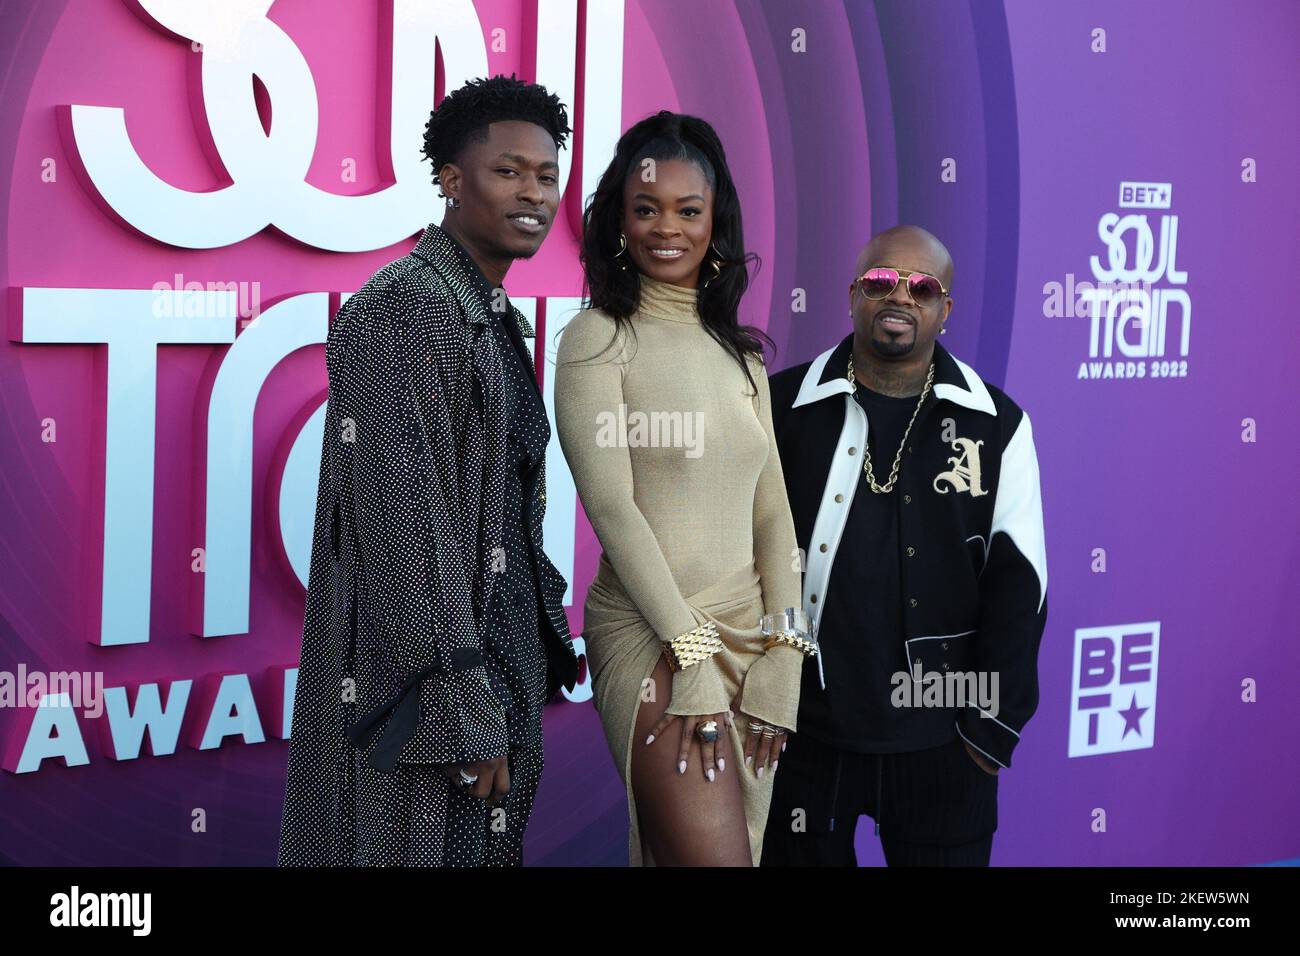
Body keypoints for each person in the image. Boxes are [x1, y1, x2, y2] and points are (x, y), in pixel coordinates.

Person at [278, 75, 579, 867]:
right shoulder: (403, 308)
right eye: (508, 171)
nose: (535, 193)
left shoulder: (481, 309)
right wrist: (459, 708)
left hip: (487, 676)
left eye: (547, 176)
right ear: (450, 180)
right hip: (422, 704)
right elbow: (405, 520)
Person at [553, 111, 811, 866]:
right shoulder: (597, 338)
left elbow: (774, 514)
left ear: (715, 222)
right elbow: (612, 508)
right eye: (645, 208)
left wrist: (787, 652)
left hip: (751, 639)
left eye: (688, 211)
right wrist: (691, 655)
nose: (667, 228)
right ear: (618, 222)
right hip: (656, 637)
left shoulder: (742, 357)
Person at [761, 225, 1048, 867]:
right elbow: (741, 558)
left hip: (941, 741)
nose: (901, 296)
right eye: (882, 281)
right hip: (804, 732)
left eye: (922, 287)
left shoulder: (995, 425)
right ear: (853, 294)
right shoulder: (781, 405)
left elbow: (1020, 586)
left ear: (945, 311)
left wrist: (988, 731)